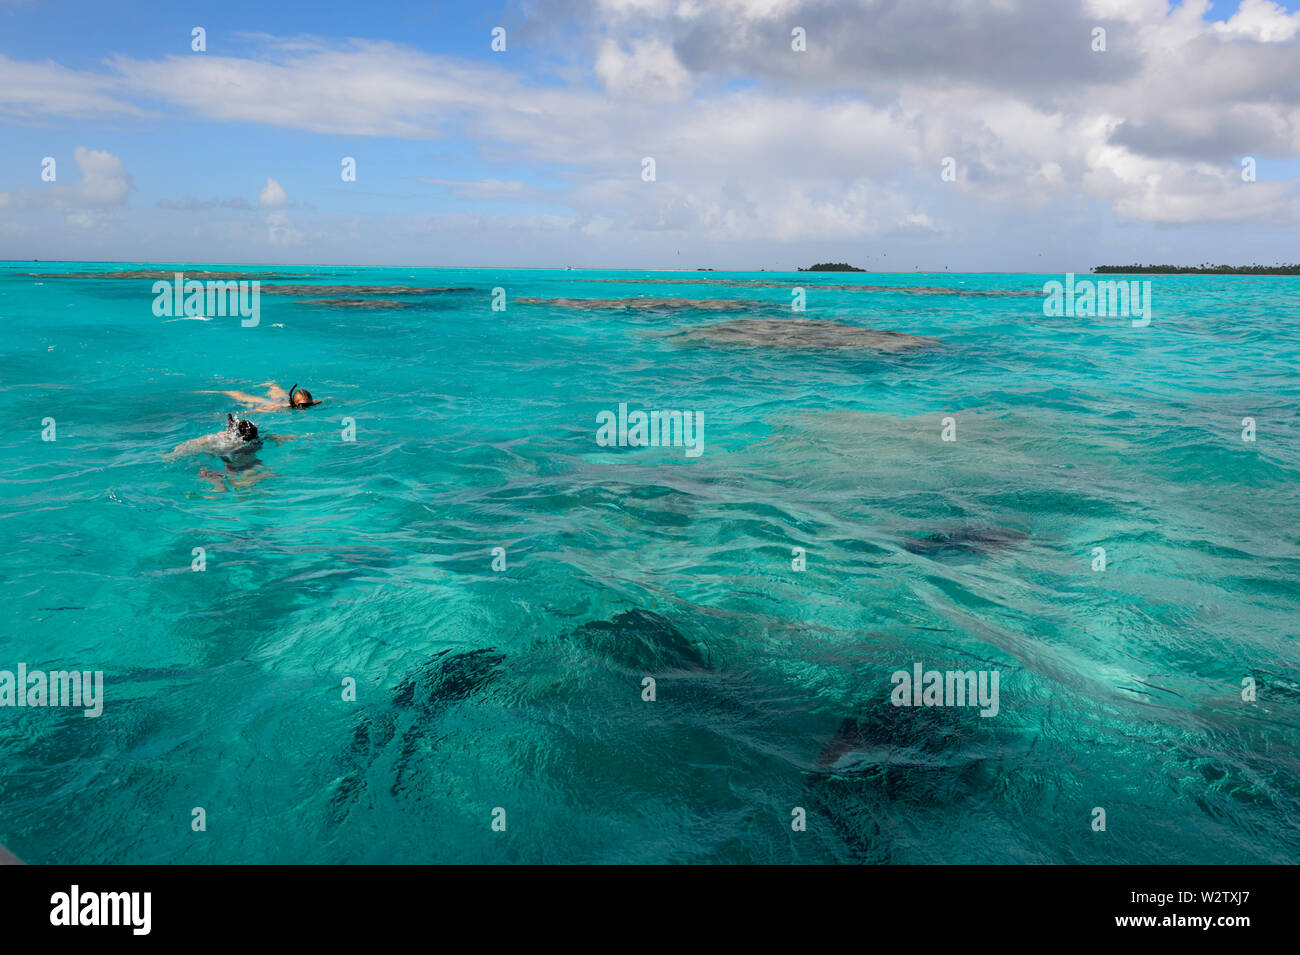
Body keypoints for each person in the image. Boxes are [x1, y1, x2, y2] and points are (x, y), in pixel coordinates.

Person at [196, 381, 322, 413]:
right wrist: (249, 412)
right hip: (274, 402)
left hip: (283, 398)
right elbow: (263, 409)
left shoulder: (312, 403)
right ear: (295, 404)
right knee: (245, 397)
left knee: (276, 388)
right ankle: (219, 391)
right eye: (302, 406)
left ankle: (270, 384)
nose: (305, 408)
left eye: (308, 405)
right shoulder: (286, 407)